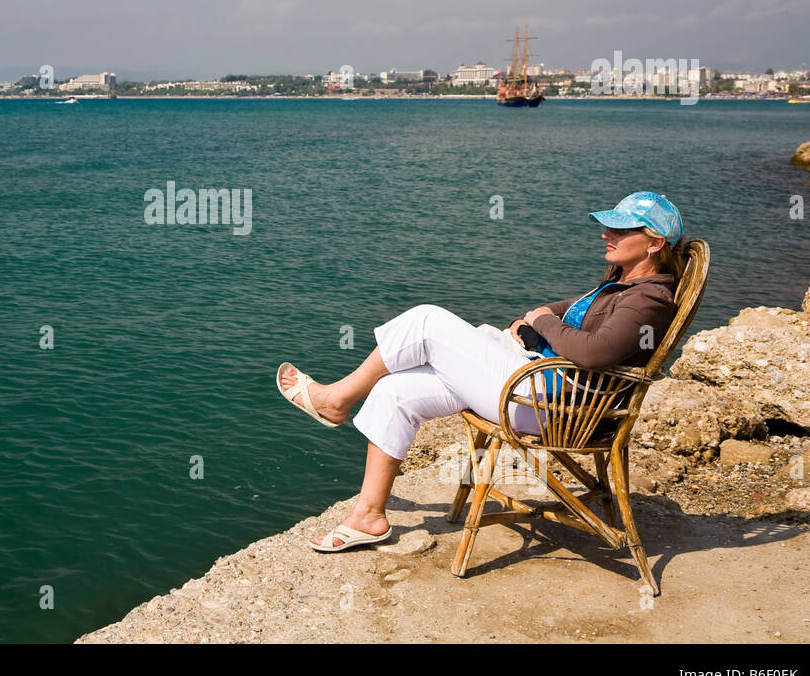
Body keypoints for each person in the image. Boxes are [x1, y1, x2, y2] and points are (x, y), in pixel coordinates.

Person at [275, 191, 691, 551]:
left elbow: (594, 352)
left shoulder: (649, 299)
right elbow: (563, 312)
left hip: (546, 407)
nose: (606, 235)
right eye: (608, 227)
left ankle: (336, 399)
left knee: (425, 320)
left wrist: (541, 322)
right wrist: (537, 321)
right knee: (394, 391)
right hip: (536, 384)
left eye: (620, 230)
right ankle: (369, 516)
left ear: (654, 244)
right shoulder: (621, 282)